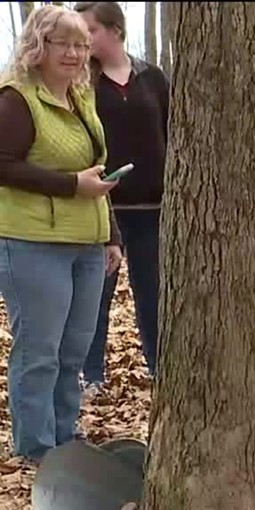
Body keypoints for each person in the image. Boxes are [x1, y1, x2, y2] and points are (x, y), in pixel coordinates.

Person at [0, 5, 122, 464]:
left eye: (80, 45)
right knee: (40, 350)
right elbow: (3, 164)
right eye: (63, 44)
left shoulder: (81, 99)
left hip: (86, 243)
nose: (73, 54)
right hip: (32, 243)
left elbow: (98, 172)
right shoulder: (16, 98)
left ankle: (65, 439)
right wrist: (74, 186)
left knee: (73, 350)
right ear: (39, 47)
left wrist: (110, 235)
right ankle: (37, 449)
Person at [76, 1, 169, 391]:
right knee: (96, 296)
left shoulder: (153, 77)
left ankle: (158, 367)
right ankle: (90, 374)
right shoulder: (83, 82)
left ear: (114, 30)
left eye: (90, 31)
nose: (84, 40)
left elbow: (174, 129)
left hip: (153, 207)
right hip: (104, 207)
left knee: (153, 294)